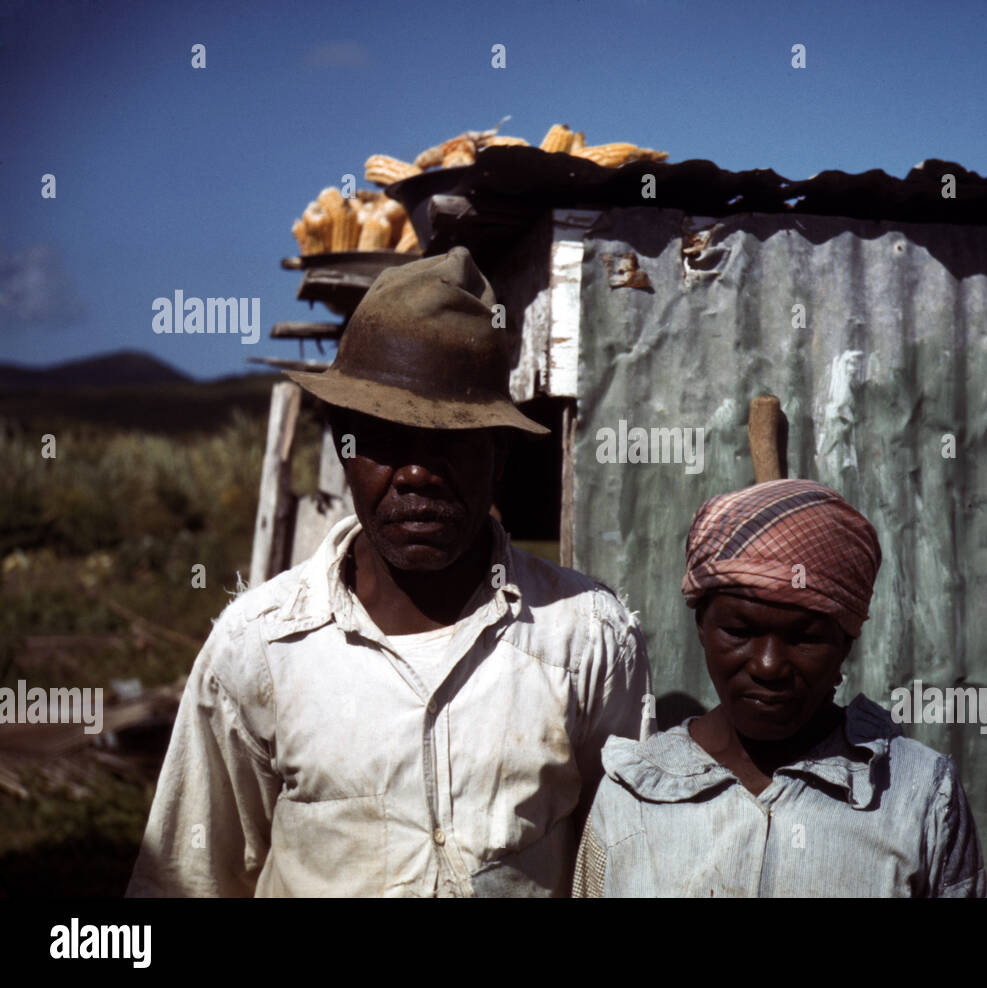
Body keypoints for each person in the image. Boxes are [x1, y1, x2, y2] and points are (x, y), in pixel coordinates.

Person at [127, 247, 652, 897]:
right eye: (383, 439)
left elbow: (626, 869)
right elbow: (187, 877)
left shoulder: (588, 638)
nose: (415, 474)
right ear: (341, 444)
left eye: (451, 440)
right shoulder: (258, 647)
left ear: (500, 454)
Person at [572, 479, 987, 897]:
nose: (769, 666)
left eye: (804, 638)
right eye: (739, 631)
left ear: (847, 640)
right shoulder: (633, 794)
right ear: (701, 625)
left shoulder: (917, 797)